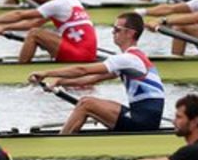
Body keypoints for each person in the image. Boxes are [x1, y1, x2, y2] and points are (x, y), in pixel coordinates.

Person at [28, 13, 165, 134]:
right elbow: (90, 79)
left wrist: (46, 73)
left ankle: (60, 143)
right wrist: (59, 81)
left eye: (117, 29)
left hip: (143, 120)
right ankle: (69, 137)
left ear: (130, 33)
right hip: (144, 117)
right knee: (90, 104)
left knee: (86, 103)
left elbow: (82, 70)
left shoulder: (128, 59)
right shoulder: (133, 59)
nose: (112, 32)